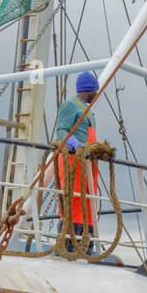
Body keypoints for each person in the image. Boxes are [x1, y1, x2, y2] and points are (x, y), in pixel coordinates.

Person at [53, 71, 100, 246]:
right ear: (90, 90)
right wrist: (74, 144)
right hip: (74, 163)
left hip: (87, 165)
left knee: (88, 204)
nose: (97, 95)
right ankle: (68, 246)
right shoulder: (70, 106)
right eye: (96, 91)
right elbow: (61, 130)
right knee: (72, 203)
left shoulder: (87, 111)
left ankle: (86, 247)